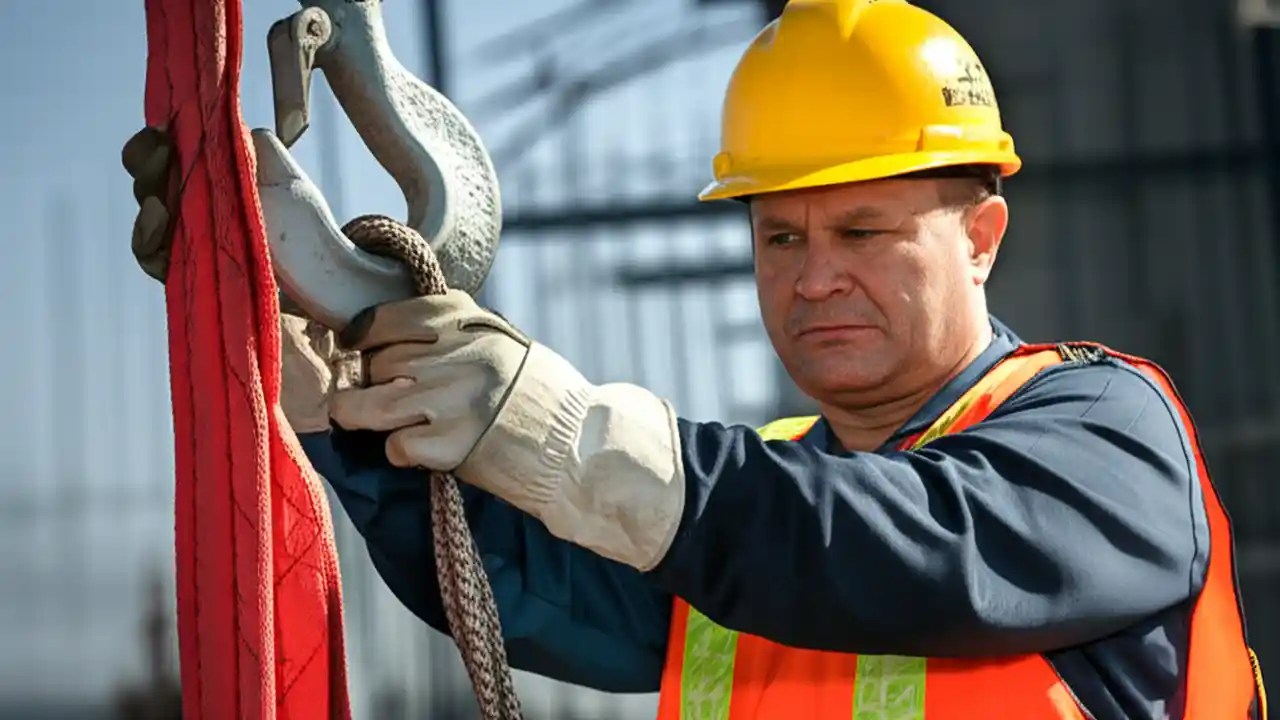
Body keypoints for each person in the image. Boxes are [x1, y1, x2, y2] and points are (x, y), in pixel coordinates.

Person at [123, 0, 1268, 717]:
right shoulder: (744, 500)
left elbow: (913, 547)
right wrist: (352, 400)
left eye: (860, 232)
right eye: (779, 236)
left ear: (979, 238)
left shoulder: (1106, 436)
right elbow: (514, 587)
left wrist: (565, 432)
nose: (811, 275)